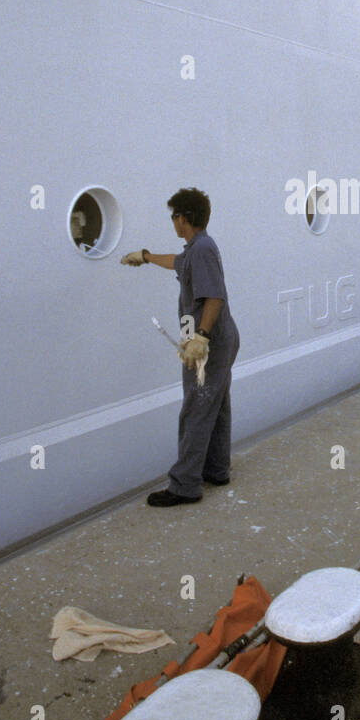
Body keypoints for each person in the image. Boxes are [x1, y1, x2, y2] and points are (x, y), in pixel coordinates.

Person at [121, 187, 240, 507]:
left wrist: (200, 337)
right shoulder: (196, 248)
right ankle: (216, 469)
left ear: (183, 218)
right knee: (215, 404)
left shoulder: (202, 249)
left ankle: (185, 485)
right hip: (221, 337)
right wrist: (145, 257)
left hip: (209, 343)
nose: (172, 222)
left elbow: (215, 296)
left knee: (196, 409)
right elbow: (177, 262)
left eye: (174, 216)